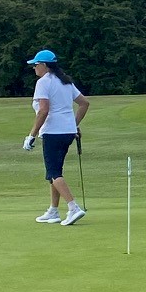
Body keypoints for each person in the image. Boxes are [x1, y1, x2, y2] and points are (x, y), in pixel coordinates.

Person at [23, 49, 90, 224]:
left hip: (53, 132)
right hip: (68, 132)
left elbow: (43, 110)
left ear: (44, 65)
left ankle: (73, 207)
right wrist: (73, 124)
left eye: (36, 65)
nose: (34, 68)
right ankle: (53, 211)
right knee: (55, 171)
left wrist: (31, 135)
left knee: (53, 172)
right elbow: (84, 103)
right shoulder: (65, 81)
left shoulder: (43, 83)